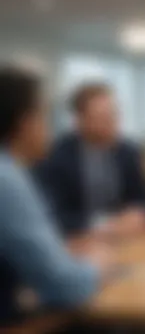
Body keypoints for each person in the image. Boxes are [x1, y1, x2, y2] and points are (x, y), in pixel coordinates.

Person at [0, 67, 111, 325]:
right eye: (45, 115)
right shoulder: (7, 180)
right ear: (25, 122)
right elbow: (64, 286)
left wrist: (58, 251)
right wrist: (97, 265)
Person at [36, 83, 145, 239]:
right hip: (77, 242)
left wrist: (138, 213)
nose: (112, 123)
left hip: (126, 240)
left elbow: (142, 199)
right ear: (80, 120)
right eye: (103, 118)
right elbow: (54, 215)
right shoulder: (57, 156)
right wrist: (105, 225)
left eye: (114, 115)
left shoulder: (128, 152)